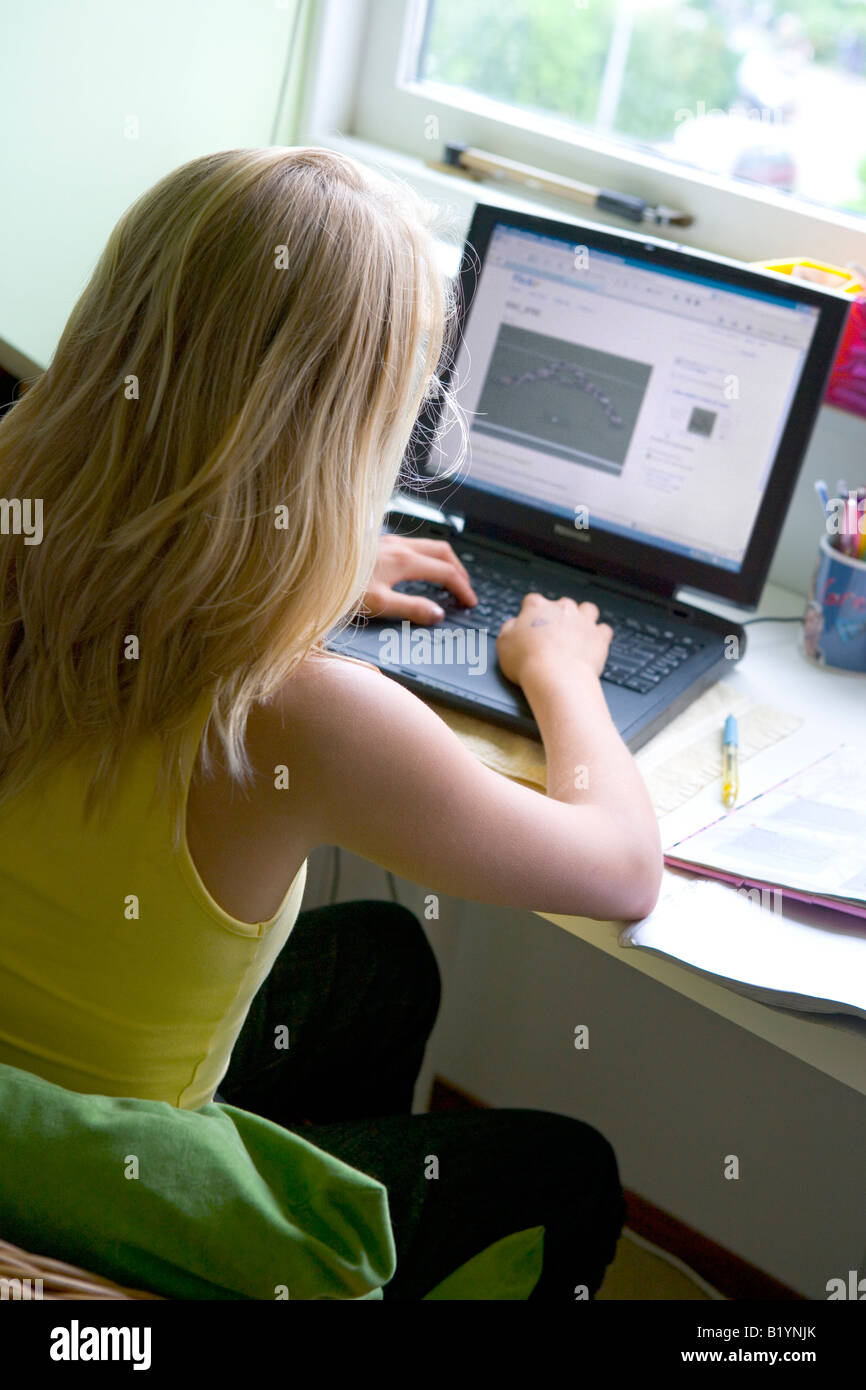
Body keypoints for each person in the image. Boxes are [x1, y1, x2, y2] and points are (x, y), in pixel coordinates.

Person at [0, 147, 662, 1299]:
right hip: (79, 1194)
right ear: (347, 428)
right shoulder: (299, 715)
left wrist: (281, 566)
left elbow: (131, 516)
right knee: (564, 1169)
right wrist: (562, 675)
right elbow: (619, 868)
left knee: (380, 965)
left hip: (24, 1106)